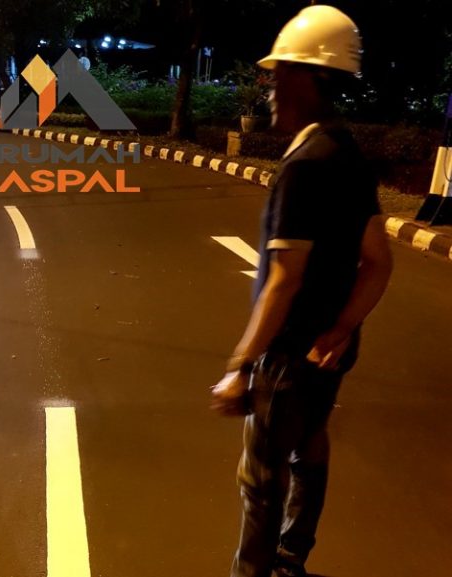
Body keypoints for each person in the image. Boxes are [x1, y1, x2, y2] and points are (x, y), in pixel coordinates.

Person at [210, 6, 393, 577]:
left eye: (279, 72)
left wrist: (241, 365)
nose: (269, 86)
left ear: (311, 78)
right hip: (327, 353)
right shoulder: (347, 153)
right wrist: (341, 330)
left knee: (261, 479)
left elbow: (284, 279)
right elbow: (378, 262)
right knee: (310, 449)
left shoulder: (303, 167)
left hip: (287, 358)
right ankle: (292, 559)